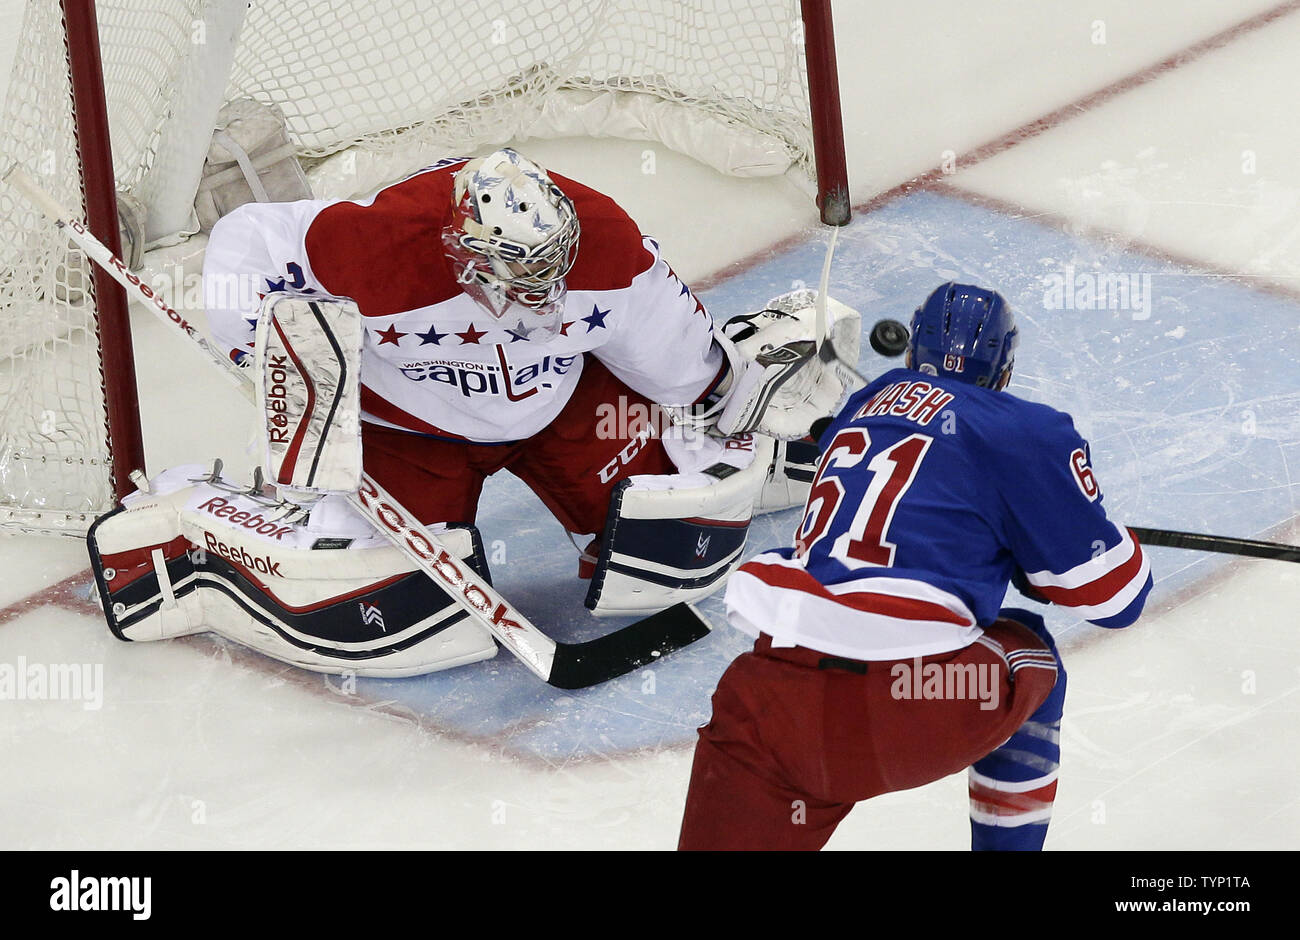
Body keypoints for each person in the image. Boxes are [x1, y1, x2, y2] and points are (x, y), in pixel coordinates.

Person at [84, 148, 845, 679]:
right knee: (397, 613)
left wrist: (730, 401)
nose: (547, 294)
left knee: (674, 548)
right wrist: (266, 345)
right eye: (524, 277)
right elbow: (247, 240)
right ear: (465, 252)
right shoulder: (382, 243)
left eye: (556, 267)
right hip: (409, 430)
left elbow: (680, 363)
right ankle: (197, 525)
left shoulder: (607, 244)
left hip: (563, 406)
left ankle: (768, 444)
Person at [677, 282, 1154, 851]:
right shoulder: (1026, 430)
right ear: (1003, 373)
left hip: (771, 705)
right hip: (913, 707)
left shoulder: (864, 403)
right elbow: (1115, 602)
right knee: (1029, 646)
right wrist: (1054, 551)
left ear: (911, 354)